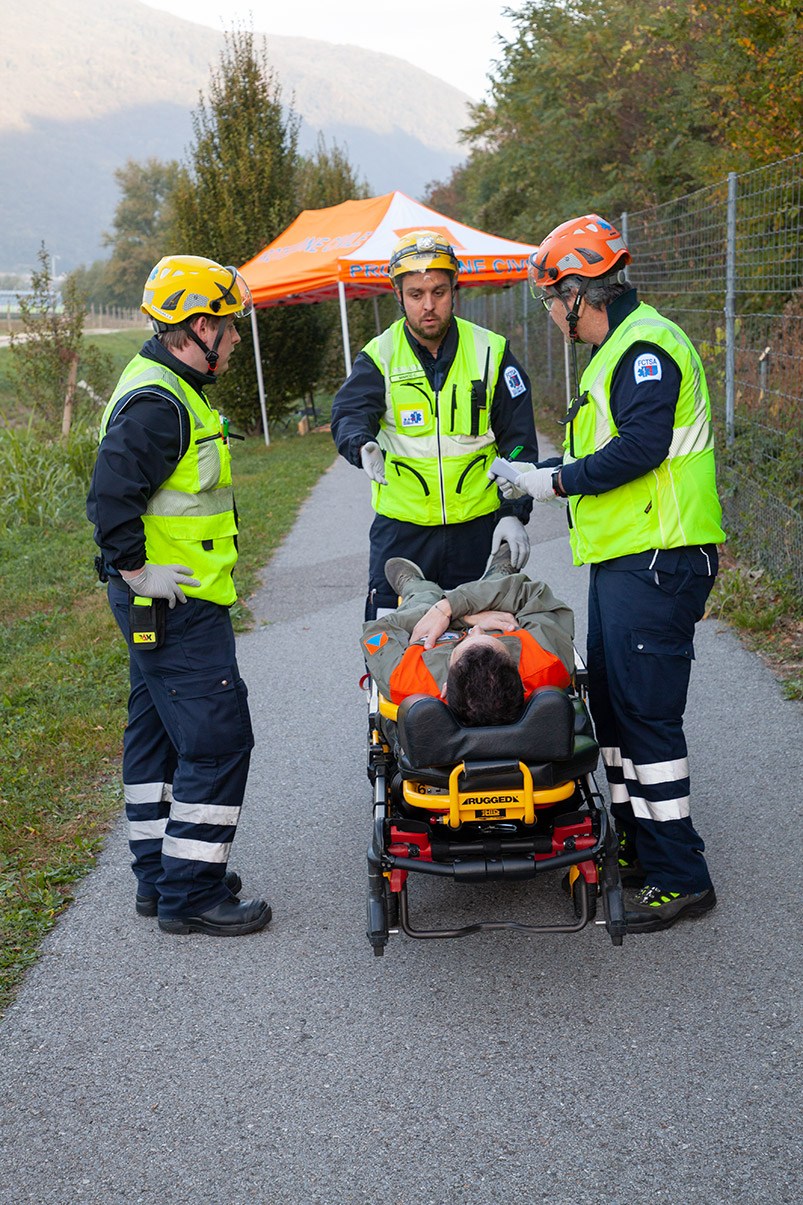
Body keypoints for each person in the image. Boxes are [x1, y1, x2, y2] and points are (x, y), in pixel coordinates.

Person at [491, 214, 725, 932]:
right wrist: (544, 471)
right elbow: (609, 452)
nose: (551, 314)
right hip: (628, 557)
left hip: (658, 556)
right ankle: (637, 849)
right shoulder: (615, 350)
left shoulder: (643, 347)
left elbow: (641, 448)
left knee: (647, 719)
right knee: (617, 710)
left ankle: (681, 876)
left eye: (549, 299)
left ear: (574, 291)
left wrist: (549, 486)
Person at [86, 255, 272, 937]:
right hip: (174, 602)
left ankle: (158, 875)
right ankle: (191, 891)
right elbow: (108, 500)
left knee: (155, 734)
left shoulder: (161, 384)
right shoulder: (160, 403)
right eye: (228, 326)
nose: (234, 337)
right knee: (218, 740)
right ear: (199, 326)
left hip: (162, 601)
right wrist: (137, 572)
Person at [331, 230, 539, 619]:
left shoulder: (491, 350)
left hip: (480, 531)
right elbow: (348, 412)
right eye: (415, 295)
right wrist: (361, 445)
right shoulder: (379, 356)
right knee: (394, 648)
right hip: (402, 534)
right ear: (398, 295)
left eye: (439, 292)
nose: (428, 305)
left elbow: (519, 441)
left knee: (483, 649)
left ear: (455, 289)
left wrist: (513, 512)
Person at [361, 551, 575, 725]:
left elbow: (376, 632)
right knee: (499, 595)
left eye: (465, 641)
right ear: (521, 682)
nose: (476, 630)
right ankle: (498, 577)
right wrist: (462, 611)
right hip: (496, 613)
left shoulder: (405, 681)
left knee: (420, 601)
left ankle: (417, 589)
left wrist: (447, 613)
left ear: (445, 689)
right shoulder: (548, 662)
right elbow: (534, 595)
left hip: (435, 614)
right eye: (489, 637)